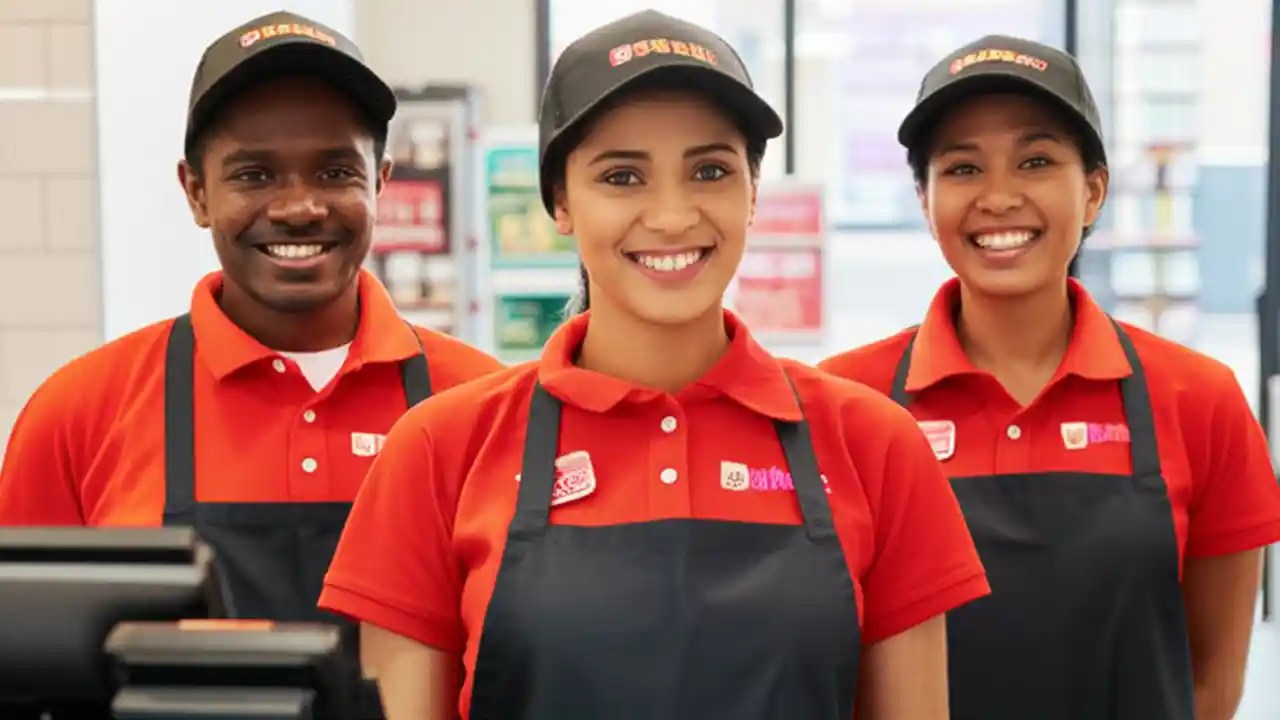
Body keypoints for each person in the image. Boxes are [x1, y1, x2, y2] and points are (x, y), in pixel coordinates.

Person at [319, 10, 991, 720]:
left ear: (753, 194)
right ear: (560, 202)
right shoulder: (438, 451)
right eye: (622, 176)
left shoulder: (874, 446)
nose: (671, 216)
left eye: (709, 171)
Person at [0, 9, 502, 715]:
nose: (299, 207)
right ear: (196, 192)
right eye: (254, 174)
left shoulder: (485, 406)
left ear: (381, 183)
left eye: (335, 170)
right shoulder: (81, 412)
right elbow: (22, 673)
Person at [820, 34, 1280, 720]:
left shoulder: (1198, 398)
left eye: (1035, 161)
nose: (999, 197)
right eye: (962, 168)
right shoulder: (844, 403)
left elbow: (1211, 686)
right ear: (925, 199)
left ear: (1093, 191)